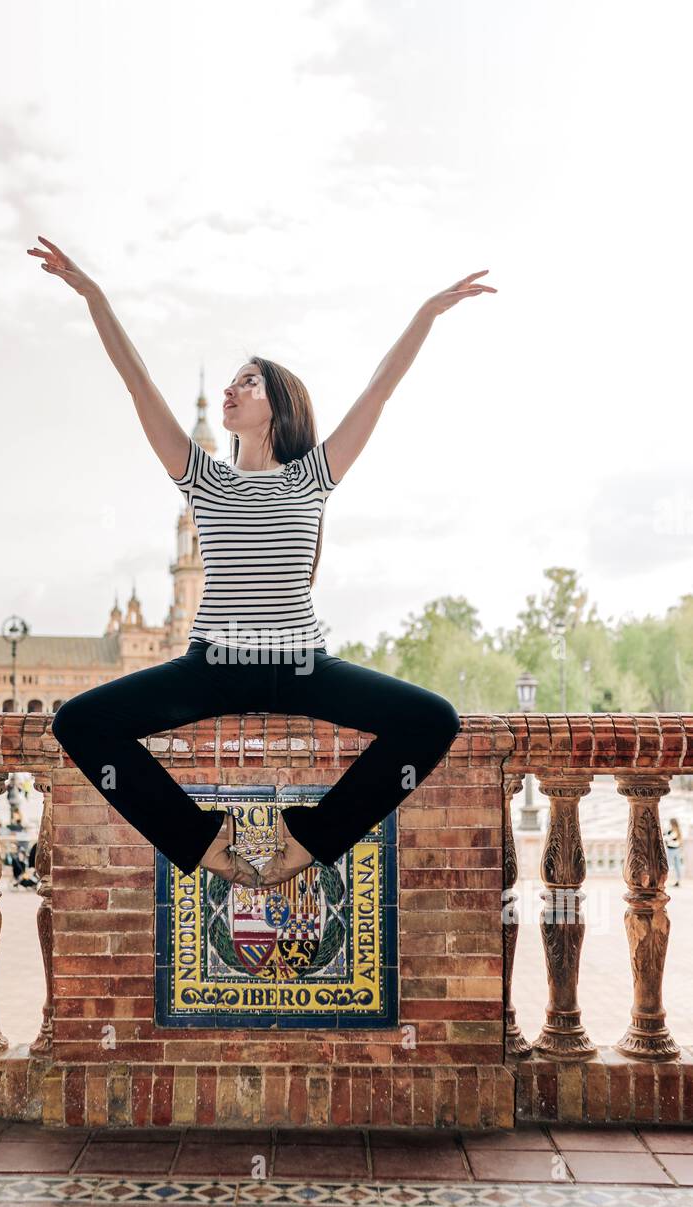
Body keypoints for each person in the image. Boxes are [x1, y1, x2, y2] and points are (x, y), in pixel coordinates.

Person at [30, 235, 495, 887]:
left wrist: (425, 313)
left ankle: (310, 841)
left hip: (302, 666)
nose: (232, 388)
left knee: (432, 720)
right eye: (232, 380)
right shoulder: (203, 479)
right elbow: (137, 383)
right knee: (79, 722)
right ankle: (200, 839)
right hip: (212, 666)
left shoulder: (313, 476)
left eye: (248, 380)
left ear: (278, 401)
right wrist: (97, 299)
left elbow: (379, 391)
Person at [664, 818, 684, 888]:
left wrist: (667, 838)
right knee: (676, 866)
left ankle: (675, 881)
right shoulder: (675, 831)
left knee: (669, 865)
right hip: (675, 849)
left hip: (673, 850)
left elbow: (667, 838)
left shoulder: (674, 831)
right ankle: (677, 881)